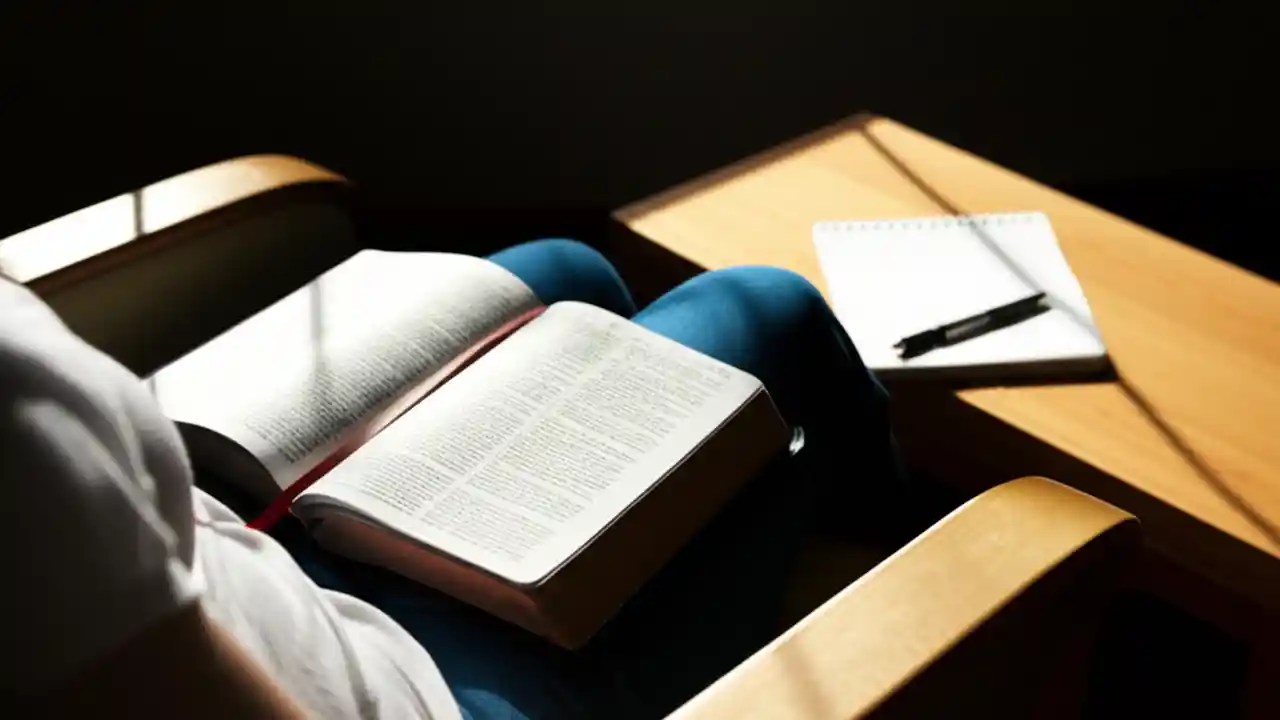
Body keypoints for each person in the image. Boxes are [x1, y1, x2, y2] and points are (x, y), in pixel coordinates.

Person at [3, 239, 903, 719]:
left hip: (238, 555)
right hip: (418, 689)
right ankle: (943, 563)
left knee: (564, 270)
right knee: (773, 309)